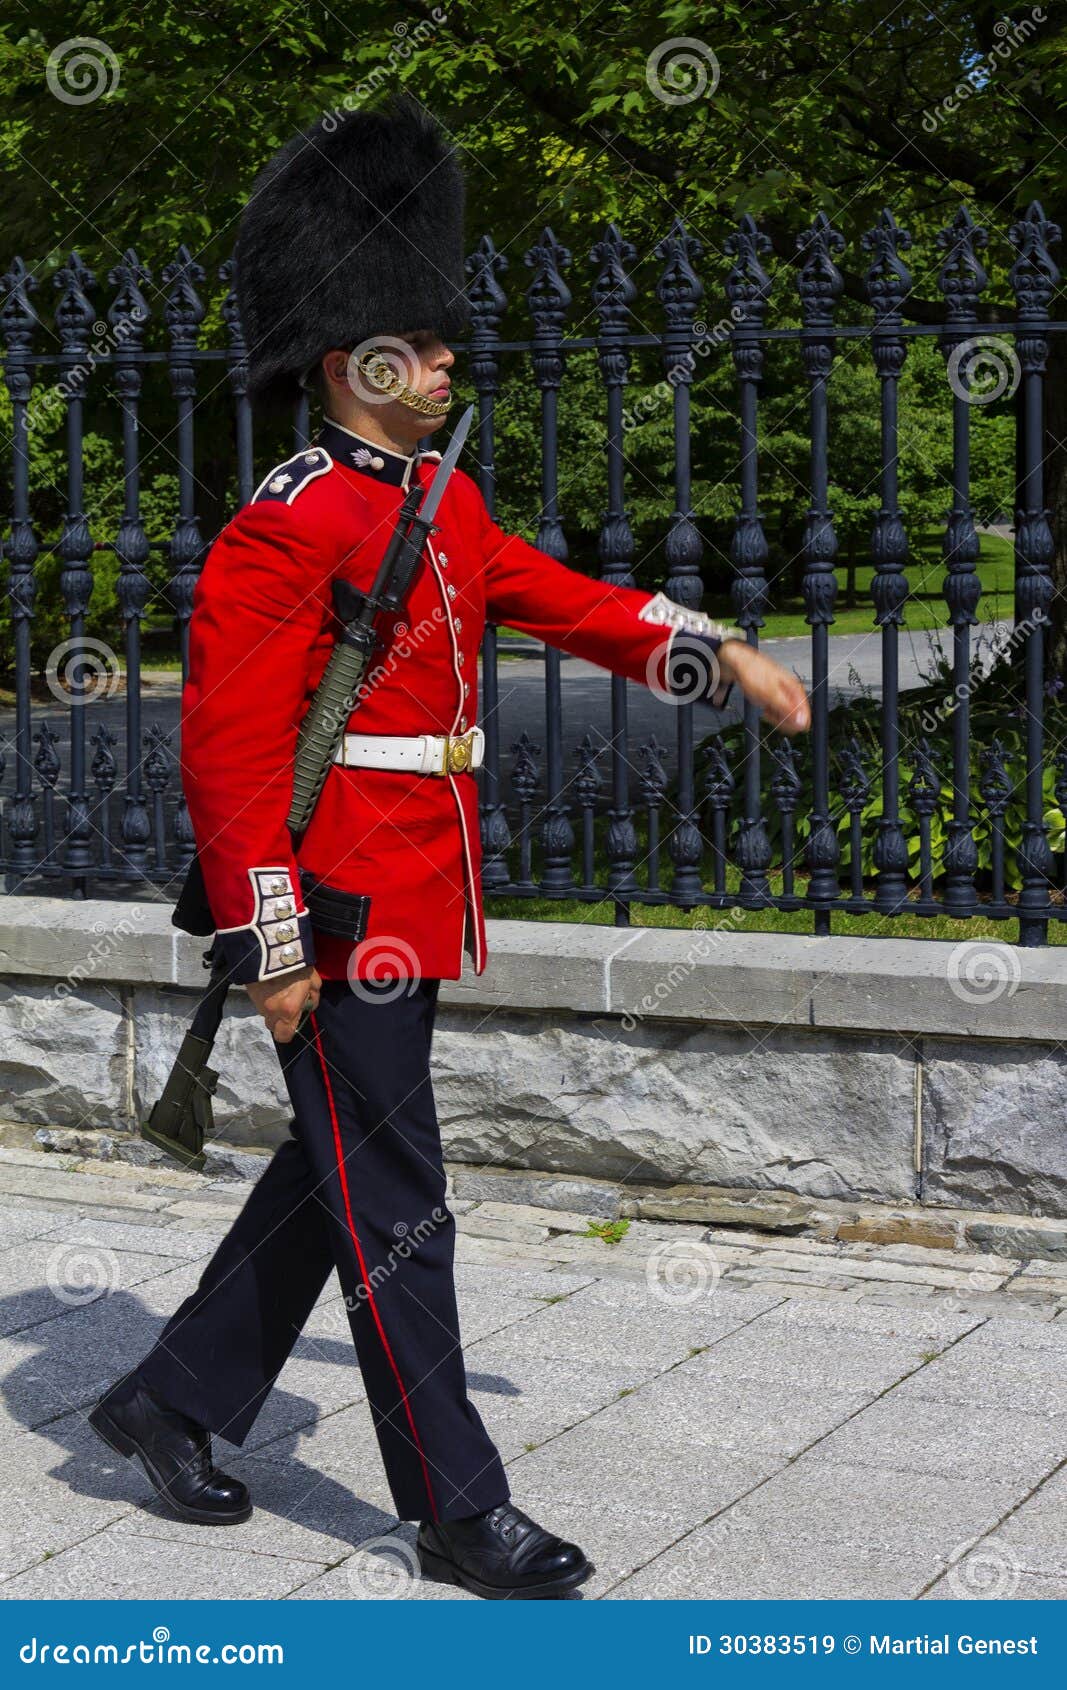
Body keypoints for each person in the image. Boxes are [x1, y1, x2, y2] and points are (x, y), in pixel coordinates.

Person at [89, 95, 809, 1600]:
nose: (450, 359)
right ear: (356, 359)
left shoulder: (444, 498)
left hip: (418, 887)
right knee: (399, 1198)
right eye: (423, 342)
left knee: (341, 1170)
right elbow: (226, 761)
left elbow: (567, 599)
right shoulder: (286, 528)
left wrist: (717, 642)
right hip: (337, 906)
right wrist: (273, 947)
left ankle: (167, 1396)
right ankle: (457, 1508)